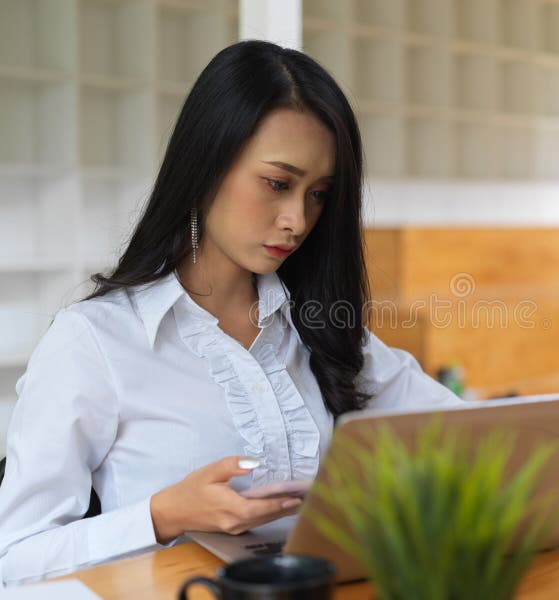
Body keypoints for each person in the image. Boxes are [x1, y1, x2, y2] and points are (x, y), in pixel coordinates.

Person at [0, 40, 463, 587]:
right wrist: (163, 515)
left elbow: (471, 438)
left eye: (319, 194)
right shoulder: (95, 342)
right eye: (277, 184)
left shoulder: (319, 328)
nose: (297, 219)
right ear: (206, 166)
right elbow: (16, 555)